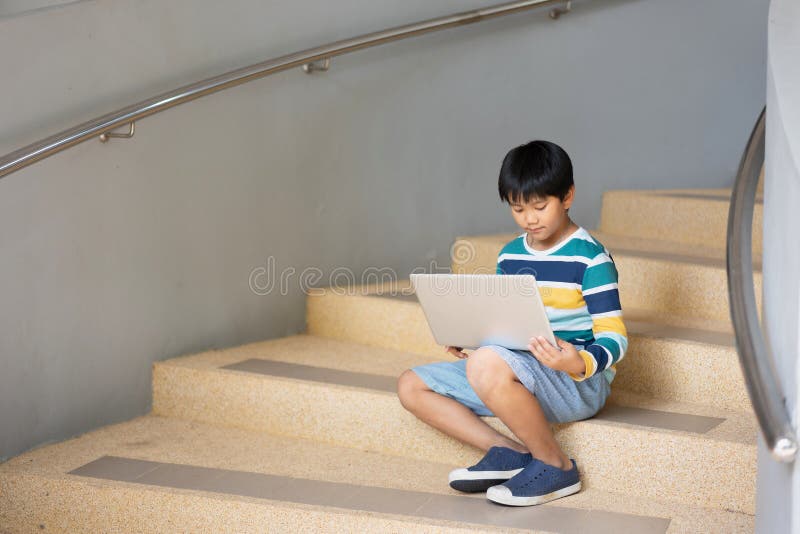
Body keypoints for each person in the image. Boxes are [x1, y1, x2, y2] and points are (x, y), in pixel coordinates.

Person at [396, 140, 628, 507]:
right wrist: (472, 334)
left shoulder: (591, 259)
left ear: (567, 197)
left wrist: (577, 362)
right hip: (518, 371)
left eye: (540, 206)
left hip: (575, 383)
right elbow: (504, 319)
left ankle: (556, 465)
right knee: (411, 386)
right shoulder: (511, 254)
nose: (530, 219)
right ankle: (512, 454)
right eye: (518, 209)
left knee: (486, 363)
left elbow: (616, 338)